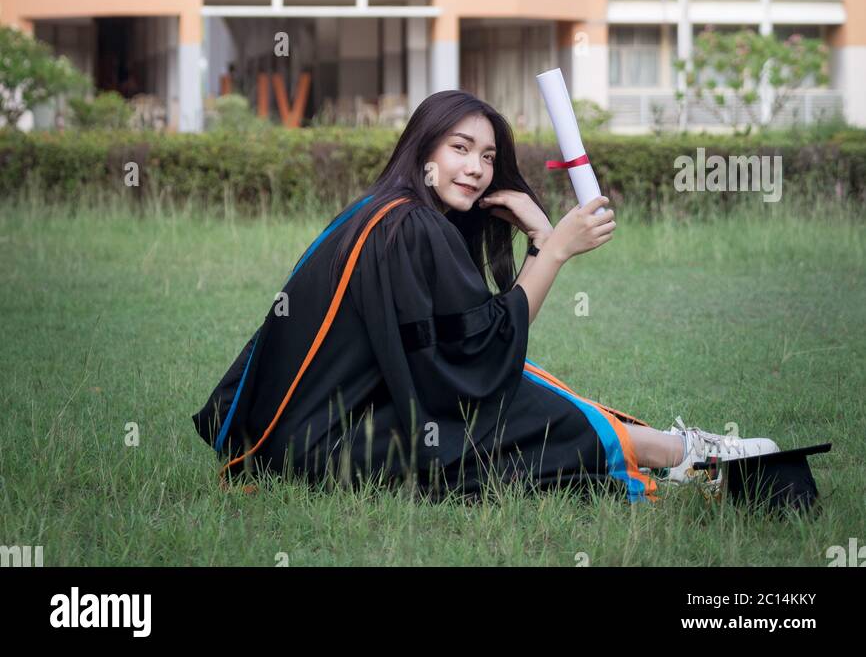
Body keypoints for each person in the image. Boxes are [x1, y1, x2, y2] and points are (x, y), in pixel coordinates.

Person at [191, 89, 779, 503]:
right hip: (327, 446)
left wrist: (543, 241)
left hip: (303, 435)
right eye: (460, 148)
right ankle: (686, 456)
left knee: (521, 387)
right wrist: (551, 250)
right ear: (423, 152)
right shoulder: (408, 227)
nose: (476, 168)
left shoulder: (382, 214)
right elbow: (480, 364)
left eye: (489, 157)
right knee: (508, 409)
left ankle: (680, 454)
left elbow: (477, 346)